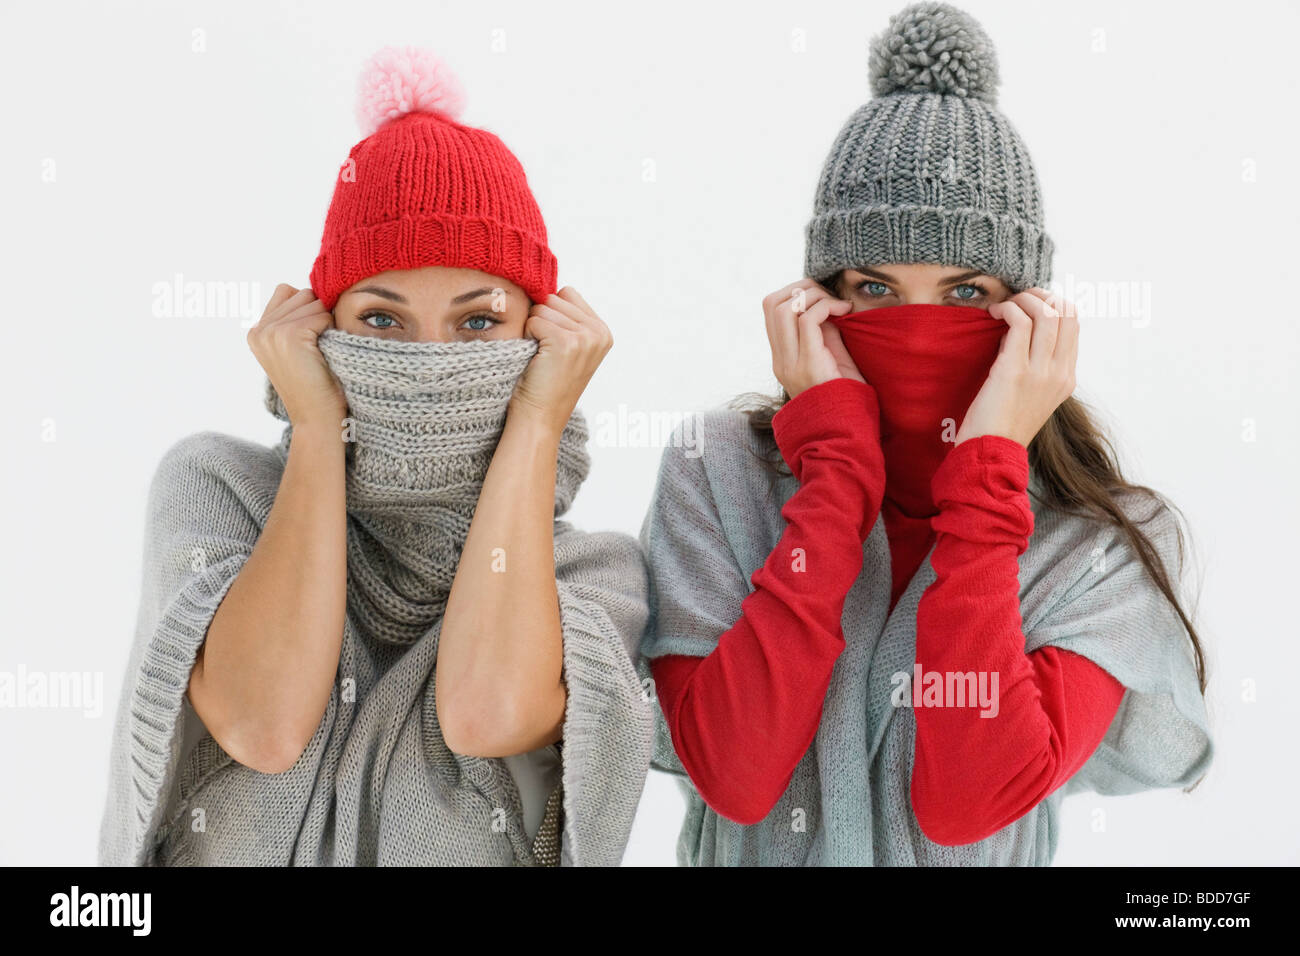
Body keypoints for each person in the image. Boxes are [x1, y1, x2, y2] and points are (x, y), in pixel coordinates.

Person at [637, 1, 1213, 865]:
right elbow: (736, 772)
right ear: (818, 300)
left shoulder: (1102, 542)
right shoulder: (717, 474)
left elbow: (968, 800)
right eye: (873, 288)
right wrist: (833, 477)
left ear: (1034, 317)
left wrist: (986, 479)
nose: (916, 327)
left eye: (965, 294)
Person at [98, 46, 654, 866]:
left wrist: (537, 423)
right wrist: (317, 426)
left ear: (539, 337)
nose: (430, 358)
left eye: (477, 323)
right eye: (383, 322)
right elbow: (264, 723)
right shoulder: (216, 489)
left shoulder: (590, 577)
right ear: (322, 331)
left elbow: (485, 712)